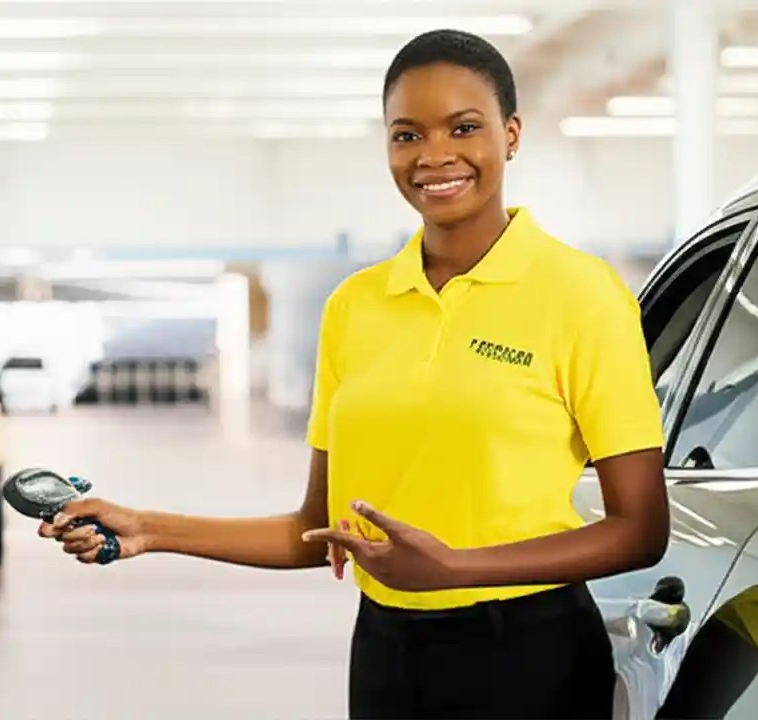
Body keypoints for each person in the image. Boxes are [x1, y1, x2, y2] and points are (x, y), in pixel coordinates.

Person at [39, 28, 670, 719]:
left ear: (511, 135)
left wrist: (455, 569)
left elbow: (639, 528)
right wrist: (147, 527)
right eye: (407, 135)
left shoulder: (581, 294)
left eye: (464, 127)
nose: (435, 156)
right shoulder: (355, 307)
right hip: (386, 654)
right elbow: (315, 528)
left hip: (529, 653)